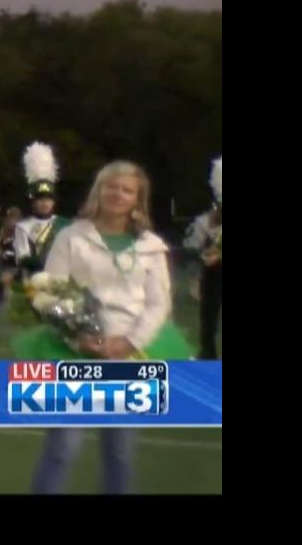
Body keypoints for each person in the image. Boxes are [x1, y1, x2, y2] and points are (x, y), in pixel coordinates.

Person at [14, 161, 191, 493]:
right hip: (72, 351)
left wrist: (129, 342)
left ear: (138, 200)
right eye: (112, 186)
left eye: (127, 190)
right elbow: (49, 288)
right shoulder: (71, 236)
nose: (117, 194)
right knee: (62, 449)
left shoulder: (151, 245)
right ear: (99, 190)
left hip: (130, 355)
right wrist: (79, 336)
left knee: (119, 453)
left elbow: (158, 303)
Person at [14, 142, 71, 275]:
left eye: (48, 199)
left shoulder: (66, 224)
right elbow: (22, 257)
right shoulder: (23, 226)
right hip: (34, 278)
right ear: (32, 202)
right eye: (40, 199)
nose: (44, 203)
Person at [184, 157, 221, 360]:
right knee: (209, 319)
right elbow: (191, 248)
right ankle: (207, 355)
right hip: (213, 276)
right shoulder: (206, 221)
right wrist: (206, 252)